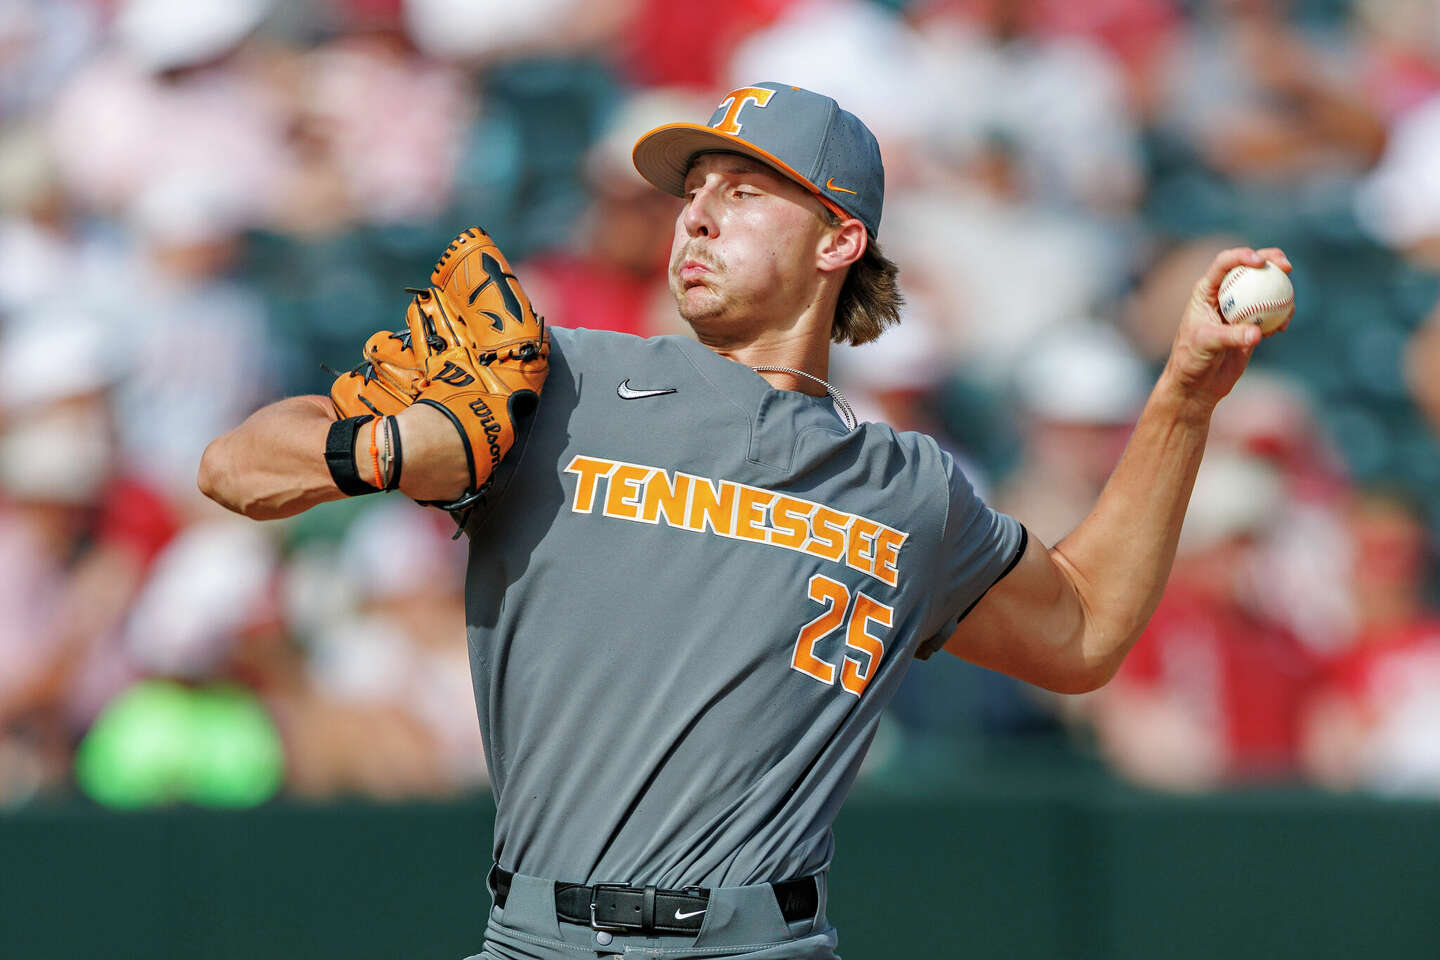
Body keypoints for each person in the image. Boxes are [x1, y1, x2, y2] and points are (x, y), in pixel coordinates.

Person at [199, 81, 1291, 960]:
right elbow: (234, 465)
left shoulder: (908, 487)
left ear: (836, 241)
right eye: (692, 190)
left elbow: (1085, 631)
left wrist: (1185, 394)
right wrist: (381, 448)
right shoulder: (559, 380)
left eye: (745, 189)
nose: (698, 212)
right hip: (535, 940)